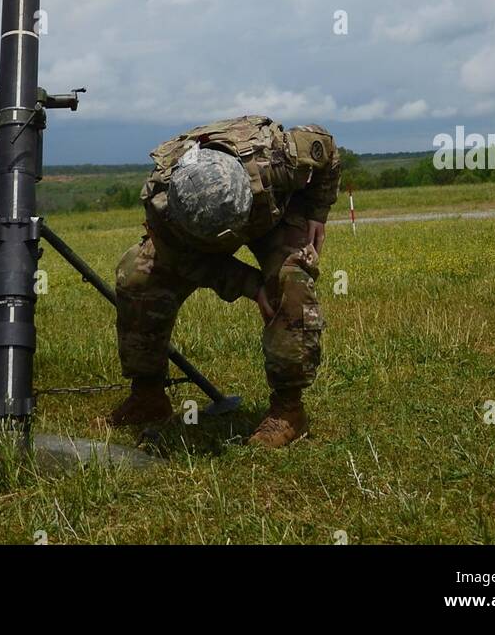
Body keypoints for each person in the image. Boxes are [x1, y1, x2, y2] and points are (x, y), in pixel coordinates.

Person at [109, 116, 340, 447]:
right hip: (193, 241)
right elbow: (187, 261)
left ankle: (289, 411)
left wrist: (318, 211)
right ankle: (147, 396)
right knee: (137, 275)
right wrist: (250, 285)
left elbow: (327, 147)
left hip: (272, 218)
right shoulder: (161, 203)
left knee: (292, 281)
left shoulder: (278, 158)